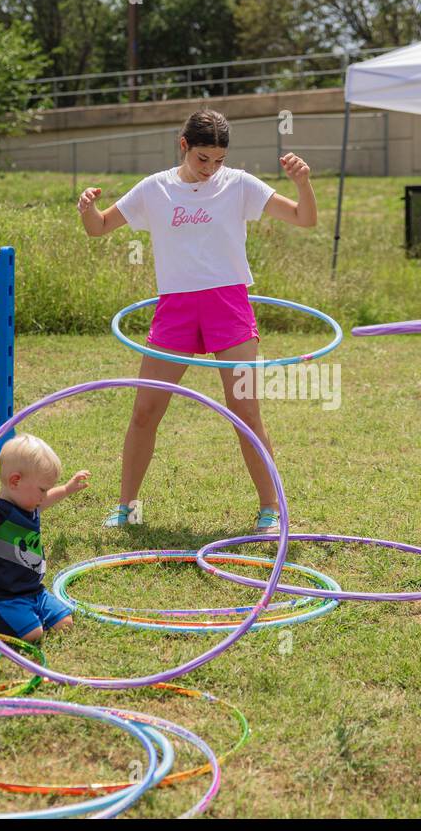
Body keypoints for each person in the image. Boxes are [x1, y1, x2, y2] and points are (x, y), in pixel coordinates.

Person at [77, 109, 317, 533]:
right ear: (183, 145)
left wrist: (303, 183)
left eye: (219, 160)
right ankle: (126, 507)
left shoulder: (238, 184)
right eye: (203, 158)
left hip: (229, 305)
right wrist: (87, 208)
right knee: (145, 411)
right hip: (176, 310)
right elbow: (98, 228)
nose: (211, 169)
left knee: (245, 411)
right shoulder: (155, 189)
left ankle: (271, 510)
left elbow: (304, 218)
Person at [0, 434, 91, 642]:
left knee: (65, 623)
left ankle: (28, 614)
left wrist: (67, 489)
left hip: (33, 591)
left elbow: (46, 500)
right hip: (1, 598)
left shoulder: (30, 504)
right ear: (15, 481)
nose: (44, 495)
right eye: (42, 489)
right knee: (33, 634)